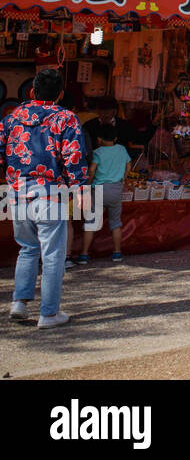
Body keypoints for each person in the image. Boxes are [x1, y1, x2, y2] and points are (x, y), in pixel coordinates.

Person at [3, 68, 88, 328]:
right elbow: (74, 157)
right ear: (60, 94)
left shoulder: (13, 117)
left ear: (31, 92)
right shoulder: (66, 118)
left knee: (27, 249)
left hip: (17, 192)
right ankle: (48, 314)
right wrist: (80, 188)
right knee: (52, 255)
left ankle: (19, 302)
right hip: (50, 193)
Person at [76, 126, 130, 264]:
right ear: (115, 139)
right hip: (116, 189)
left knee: (91, 223)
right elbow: (129, 165)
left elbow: (92, 170)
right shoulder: (122, 149)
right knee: (116, 223)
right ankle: (117, 253)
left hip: (99, 190)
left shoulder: (97, 152)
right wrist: (123, 178)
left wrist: (88, 183)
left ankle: (84, 254)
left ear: (99, 139)